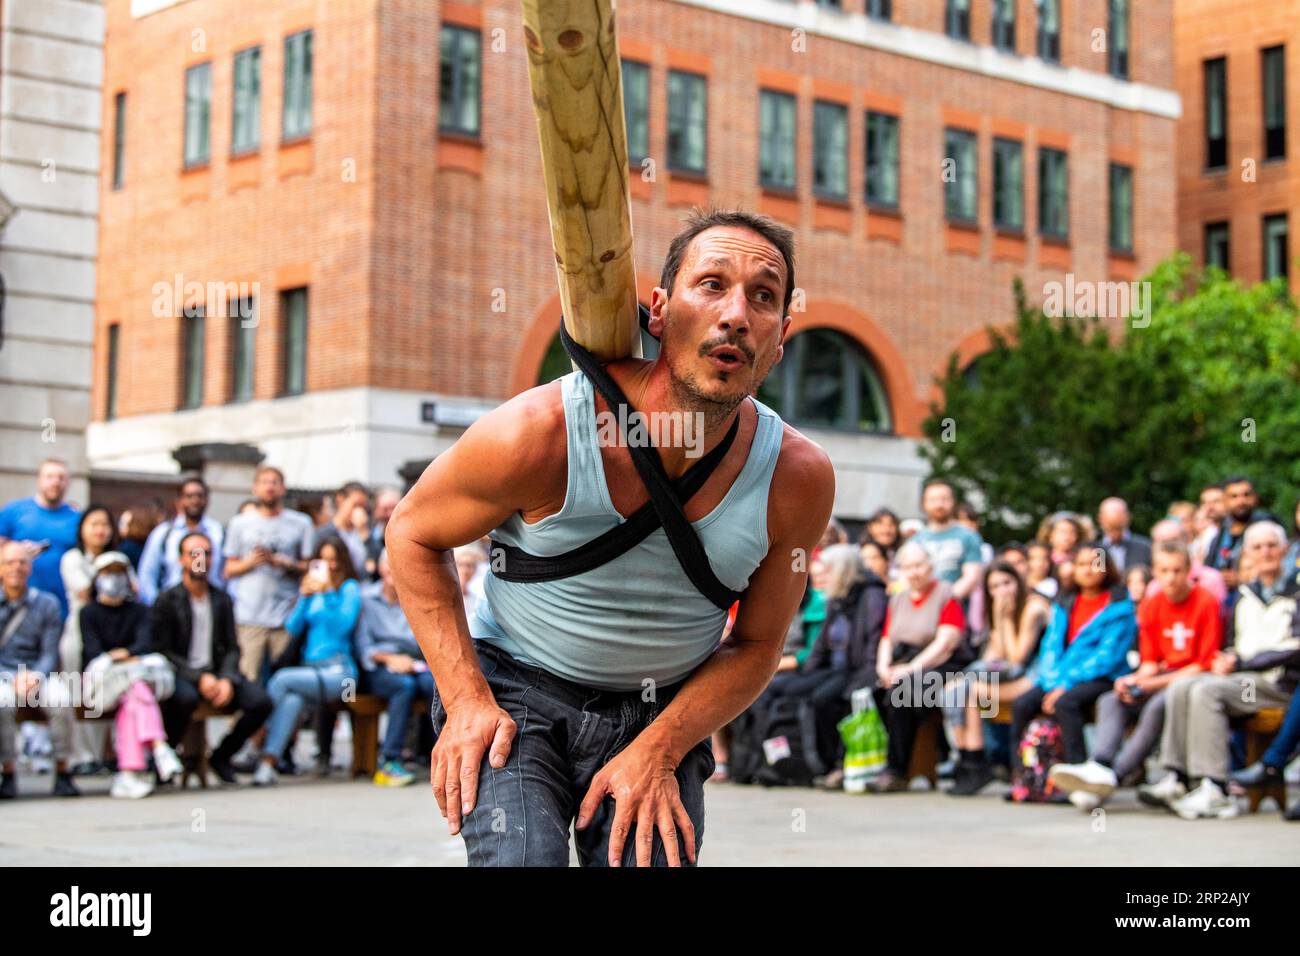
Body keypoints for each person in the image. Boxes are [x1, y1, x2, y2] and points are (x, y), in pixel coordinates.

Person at [385, 208, 835, 867]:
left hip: (666, 712)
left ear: (780, 338)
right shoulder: (540, 433)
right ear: (659, 310)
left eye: (763, 296)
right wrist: (466, 701)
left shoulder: (798, 478)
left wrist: (660, 750)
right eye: (711, 284)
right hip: (515, 688)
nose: (736, 313)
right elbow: (412, 534)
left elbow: (758, 644)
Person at [1141, 521, 1300, 820]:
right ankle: (1178, 777)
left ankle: (1215, 787)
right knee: (1181, 686)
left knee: (1205, 690)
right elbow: (1229, 642)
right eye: (1256, 546)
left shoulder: (1297, 592)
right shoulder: (1244, 594)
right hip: (1242, 680)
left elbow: (1295, 647)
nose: (1265, 552)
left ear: (1285, 550)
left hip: (1279, 684)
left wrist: (1242, 663)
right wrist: (1226, 659)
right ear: (1247, 555)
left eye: (1271, 545)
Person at [1050, 541, 1221, 810]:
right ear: (1155, 571)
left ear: (1189, 569)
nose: (1171, 578)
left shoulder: (1206, 602)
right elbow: (1150, 662)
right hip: (1161, 678)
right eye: (1164, 571)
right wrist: (1133, 680)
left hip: (1189, 682)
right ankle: (1100, 765)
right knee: (1112, 698)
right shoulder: (1152, 604)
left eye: (1177, 570)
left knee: (1156, 706)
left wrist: (1151, 683)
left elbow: (1204, 665)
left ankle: (1113, 776)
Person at [753, 544, 886, 789]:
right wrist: (806, 672)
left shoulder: (871, 594)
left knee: (822, 699)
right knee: (773, 690)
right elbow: (822, 645)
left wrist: (868, 677)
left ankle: (826, 764)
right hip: (830, 668)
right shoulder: (838, 597)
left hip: (855, 671)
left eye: (827, 571)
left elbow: (873, 639)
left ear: (842, 571)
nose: (820, 577)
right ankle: (770, 762)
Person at [152, 531, 272, 785]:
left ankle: (221, 756)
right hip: (182, 674)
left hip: (218, 674)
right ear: (181, 560)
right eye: (194, 554)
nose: (201, 559)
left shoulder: (222, 599)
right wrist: (199, 678)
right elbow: (163, 651)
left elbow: (232, 647)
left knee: (260, 701)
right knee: (184, 698)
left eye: (206, 554)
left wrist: (227, 678)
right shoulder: (167, 601)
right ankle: (168, 759)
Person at [1010, 544, 1137, 781]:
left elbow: (1107, 657)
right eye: (1081, 564)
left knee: (1066, 704)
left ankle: (1076, 773)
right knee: (1022, 705)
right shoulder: (1065, 601)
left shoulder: (1119, 605)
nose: (1087, 570)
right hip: (1059, 677)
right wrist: (1054, 681)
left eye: (1094, 563)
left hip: (1102, 677)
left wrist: (1065, 685)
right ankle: (1024, 777)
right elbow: (1050, 647)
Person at [254, 539, 362, 786]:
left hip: (342, 674)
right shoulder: (312, 591)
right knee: (291, 700)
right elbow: (292, 627)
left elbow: (343, 626)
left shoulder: (349, 589)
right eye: (323, 559)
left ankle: (257, 736)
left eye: (333, 559)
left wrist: (328, 593)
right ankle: (266, 764)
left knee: (281, 680)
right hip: (312, 670)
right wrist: (304, 597)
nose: (329, 565)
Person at [79, 551, 183, 798]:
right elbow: (94, 651)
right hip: (103, 682)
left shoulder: (139, 610)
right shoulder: (89, 613)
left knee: (133, 696)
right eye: (107, 574)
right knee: (136, 686)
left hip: (134, 679)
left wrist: (121, 655)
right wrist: (123, 656)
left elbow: (145, 644)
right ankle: (158, 746)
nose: (114, 580)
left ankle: (129, 773)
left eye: (119, 574)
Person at [871, 541, 969, 793]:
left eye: (919, 565)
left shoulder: (946, 593)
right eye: (908, 567)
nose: (914, 572)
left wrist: (911, 668)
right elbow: (887, 638)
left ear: (931, 566)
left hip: (945, 664)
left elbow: (946, 643)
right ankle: (904, 761)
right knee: (876, 689)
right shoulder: (899, 598)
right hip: (906, 662)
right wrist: (884, 667)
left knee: (903, 693)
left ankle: (898, 768)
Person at [947, 560, 1051, 795]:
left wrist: (1002, 618)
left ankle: (976, 762)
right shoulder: (1001, 610)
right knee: (955, 690)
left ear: (1018, 582)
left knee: (971, 692)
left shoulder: (1033, 608)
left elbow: (1016, 659)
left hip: (1038, 676)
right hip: (1016, 676)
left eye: (1007, 583)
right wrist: (998, 618)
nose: (1001, 591)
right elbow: (994, 658)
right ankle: (968, 759)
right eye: (994, 587)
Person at [0, 541, 80, 798]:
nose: (16, 568)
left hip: (39, 673)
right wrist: (13, 678)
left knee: (61, 700)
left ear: (30, 567)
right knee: (2, 703)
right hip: (4, 674)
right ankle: (8, 771)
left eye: (22, 562)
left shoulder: (47, 604)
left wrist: (34, 675)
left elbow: (49, 651)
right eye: (9, 562)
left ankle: (63, 770)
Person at [223, 466, 315, 682]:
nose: (269, 487)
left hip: (285, 616)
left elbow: (311, 567)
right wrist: (252, 561)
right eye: (264, 482)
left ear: (283, 488)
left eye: (274, 482)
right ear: (255, 488)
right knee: (248, 681)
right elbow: (228, 569)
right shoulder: (239, 523)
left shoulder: (301, 523)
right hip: (249, 617)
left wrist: (285, 563)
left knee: (283, 680)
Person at [356, 548, 432, 787]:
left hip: (414, 662)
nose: (393, 569)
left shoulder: (415, 597)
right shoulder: (365, 599)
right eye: (389, 564)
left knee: (434, 685)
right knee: (403, 687)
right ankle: (389, 761)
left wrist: (411, 661)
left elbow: (423, 640)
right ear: (381, 568)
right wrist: (390, 659)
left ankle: (435, 754)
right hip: (378, 666)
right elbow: (364, 647)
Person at [59, 505, 124, 774]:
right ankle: (80, 755)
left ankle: (105, 752)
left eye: (105, 524)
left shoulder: (118, 558)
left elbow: (128, 593)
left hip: (112, 629)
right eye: (93, 524)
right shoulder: (73, 558)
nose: (100, 530)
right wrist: (109, 576)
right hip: (79, 630)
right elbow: (88, 593)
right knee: (76, 691)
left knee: (105, 689)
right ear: (82, 529)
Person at [0, 458, 81, 618]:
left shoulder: (77, 518)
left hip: (63, 606)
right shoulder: (15, 511)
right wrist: (17, 551)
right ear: (39, 479)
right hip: (16, 604)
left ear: (68, 482)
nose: (55, 482)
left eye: (61, 478)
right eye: (49, 476)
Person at [137, 475, 225, 605]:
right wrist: (157, 606)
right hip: (172, 608)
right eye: (189, 496)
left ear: (207, 499)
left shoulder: (218, 532)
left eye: (200, 496)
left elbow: (225, 572)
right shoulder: (164, 533)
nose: (195, 501)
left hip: (209, 606)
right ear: (179, 501)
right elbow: (147, 574)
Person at [1231, 688, 1300, 821]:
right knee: (1193, 688)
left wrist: (1239, 665)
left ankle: (1271, 764)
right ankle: (1200, 782)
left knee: (1207, 692)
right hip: (1255, 680)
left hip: (1272, 684)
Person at [911, 480, 984, 601]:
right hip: (922, 608)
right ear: (923, 504)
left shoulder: (969, 537)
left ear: (953, 502)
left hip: (956, 608)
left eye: (944, 499)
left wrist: (945, 601)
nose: (939, 505)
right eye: (933, 500)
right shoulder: (915, 541)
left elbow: (972, 576)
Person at [1204, 476, 1274, 587]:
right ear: (1225, 501)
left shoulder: (1267, 528)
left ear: (1255, 498)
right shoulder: (1220, 535)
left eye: (1246, 495)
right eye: (1234, 496)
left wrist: (1241, 579)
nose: (1241, 501)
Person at [1145, 518, 1227, 605]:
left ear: (1187, 540)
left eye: (1174, 541)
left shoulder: (1211, 580)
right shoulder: (1154, 589)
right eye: (1163, 543)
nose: (1170, 548)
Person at [314, 481, 370, 579]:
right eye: (356, 505)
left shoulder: (365, 532)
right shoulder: (324, 533)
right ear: (340, 499)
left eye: (363, 506)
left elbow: (372, 565)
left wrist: (364, 534)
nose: (359, 511)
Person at [1095, 497, 1152, 573]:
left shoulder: (1145, 547)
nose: (1114, 533)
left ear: (1128, 518)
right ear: (1100, 520)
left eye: (1118, 528)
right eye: (1110, 527)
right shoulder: (1095, 550)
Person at [1192, 483, 1227, 565]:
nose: (1209, 507)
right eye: (1204, 503)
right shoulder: (1206, 535)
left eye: (1216, 501)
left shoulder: (1234, 532)